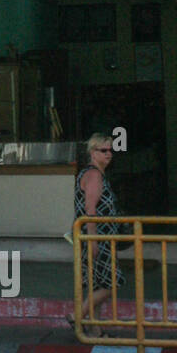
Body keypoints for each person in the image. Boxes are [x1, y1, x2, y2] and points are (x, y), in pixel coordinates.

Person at [73, 133, 124, 329]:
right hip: (98, 239)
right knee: (111, 284)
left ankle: (95, 329)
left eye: (110, 150)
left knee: (98, 286)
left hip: (100, 238)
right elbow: (90, 211)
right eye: (104, 150)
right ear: (93, 153)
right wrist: (93, 241)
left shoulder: (95, 174)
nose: (108, 154)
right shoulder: (94, 175)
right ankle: (77, 316)